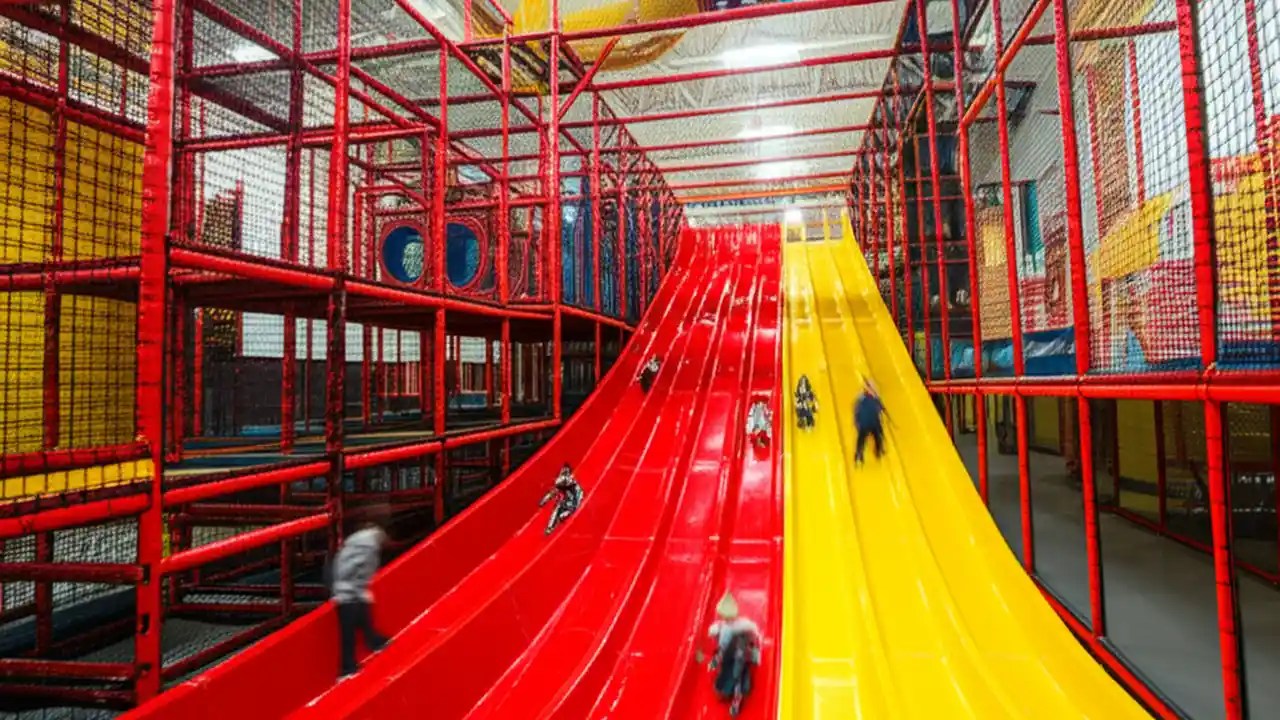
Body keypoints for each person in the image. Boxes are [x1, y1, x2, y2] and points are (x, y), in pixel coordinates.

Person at [331, 523, 390, 678]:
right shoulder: (371, 549)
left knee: (359, 622)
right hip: (350, 594)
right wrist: (359, 588)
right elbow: (365, 571)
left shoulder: (352, 543)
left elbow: (339, 564)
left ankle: (373, 641)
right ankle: (347, 668)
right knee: (349, 633)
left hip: (344, 592)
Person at [706, 591, 761, 717]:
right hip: (729, 657)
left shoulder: (739, 626)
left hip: (738, 656)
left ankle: (736, 702)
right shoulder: (722, 627)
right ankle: (730, 694)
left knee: (737, 679)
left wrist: (753, 645)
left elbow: (753, 630)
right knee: (729, 676)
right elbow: (721, 647)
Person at [540, 463, 583, 535]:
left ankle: (558, 521)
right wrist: (545, 500)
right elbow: (555, 491)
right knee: (558, 506)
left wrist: (544, 500)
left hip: (574, 503)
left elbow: (557, 489)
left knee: (561, 511)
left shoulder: (569, 480)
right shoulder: (566, 480)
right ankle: (551, 526)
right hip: (570, 501)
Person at [853, 380, 890, 465]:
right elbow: (857, 410)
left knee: (874, 437)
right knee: (865, 438)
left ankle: (877, 450)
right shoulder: (864, 399)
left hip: (870, 422)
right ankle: (860, 454)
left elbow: (880, 408)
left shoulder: (869, 399)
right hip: (868, 422)